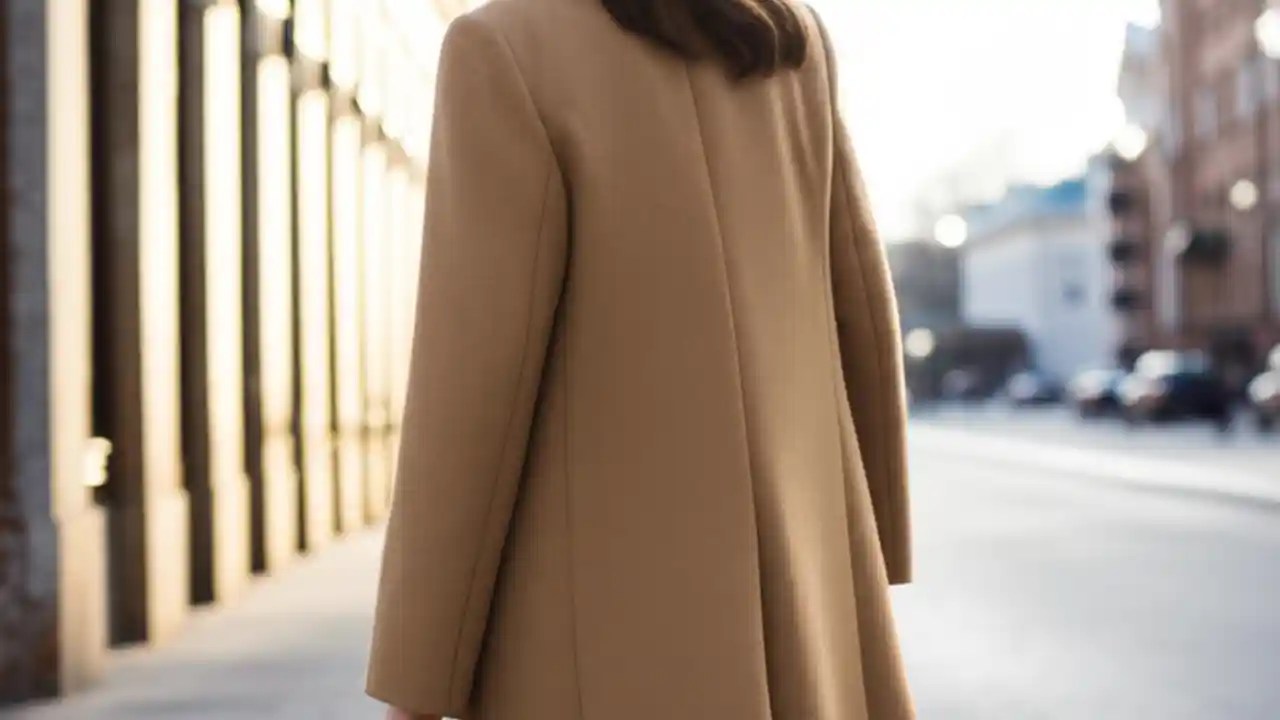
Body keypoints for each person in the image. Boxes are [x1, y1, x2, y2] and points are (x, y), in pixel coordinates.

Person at [366, 0, 914, 717]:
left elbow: (469, 390)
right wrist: (868, 561)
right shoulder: (787, 41)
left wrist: (420, 673)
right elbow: (862, 309)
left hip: (586, 630)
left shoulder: (502, 47)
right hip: (803, 616)